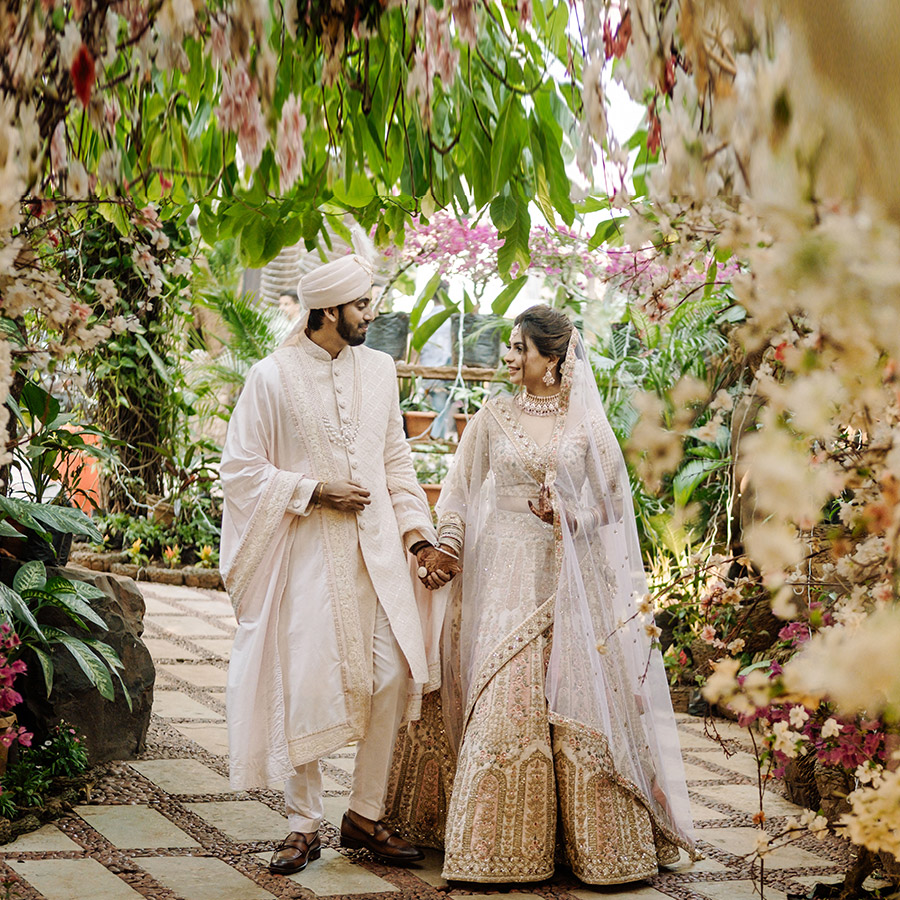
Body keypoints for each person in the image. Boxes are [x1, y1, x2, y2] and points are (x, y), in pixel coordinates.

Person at [386, 305, 697, 884]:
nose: (509, 356)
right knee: (504, 704)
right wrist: (446, 546)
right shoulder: (493, 416)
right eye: (509, 346)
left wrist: (572, 517)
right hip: (502, 582)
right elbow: (457, 494)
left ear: (552, 359)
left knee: (580, 702)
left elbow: (613, 503)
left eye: (519, 348)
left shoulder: (585, 424)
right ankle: (493, 849)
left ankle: (593, 847)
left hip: (570, 584)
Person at [219, 248, 460, 876]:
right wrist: (313, 490)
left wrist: (419, 538)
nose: (370, 314)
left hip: (376, 556)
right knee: (307, 684)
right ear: (327, 311)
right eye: (361, 305)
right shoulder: (271, 377)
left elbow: (395, 460)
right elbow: (239, 469)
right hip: (305, 557)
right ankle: (303, 825)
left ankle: (364, 813)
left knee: (393, 675)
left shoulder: (379, 370)